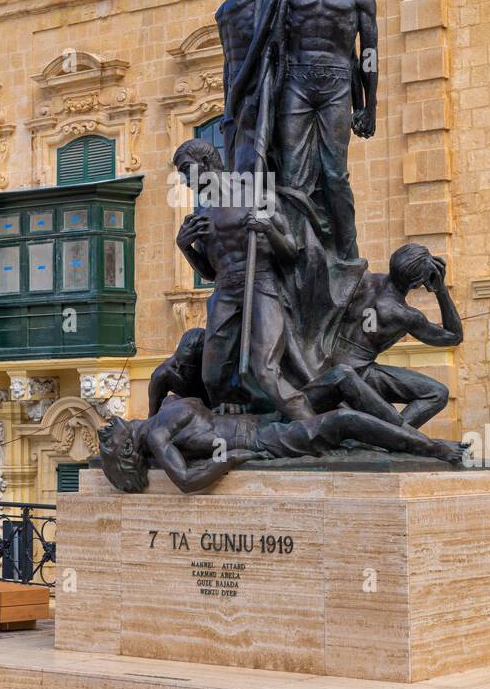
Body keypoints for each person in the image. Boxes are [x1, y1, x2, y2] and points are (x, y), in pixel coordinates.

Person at [173, 138, 313, 419]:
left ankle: (313, 427)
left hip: (261, 284)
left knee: (266, 370)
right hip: (224, 290)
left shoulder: (256, 196)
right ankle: (236, 414)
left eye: (187, 170)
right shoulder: (201, 213)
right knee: (212, 375)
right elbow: (209, 272)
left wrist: (268, 230)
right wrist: (185, 247)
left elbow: (291, 251)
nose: (185, 180)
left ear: (206, 164)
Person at [97, 395, 470, 495]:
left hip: (261, 420)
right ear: (127, 449)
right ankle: (432, 448)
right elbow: (186, 481)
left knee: (338, 397)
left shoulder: (163, 410)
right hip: (261, 439)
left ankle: (410, 444)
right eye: (108, 438)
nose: (108, 427)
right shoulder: (159, 437)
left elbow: (204, 419)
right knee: (344, 420)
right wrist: (231, 459)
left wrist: (226, 407)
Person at [276, 0, 377, 260]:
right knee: (292, 175)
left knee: (335, 174)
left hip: (336, 85)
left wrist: (368, 107)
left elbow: (368, 56)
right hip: (297, 84)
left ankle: (347, 256)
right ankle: (298, 255)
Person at [305, 244, 462, 429]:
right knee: (437, 393)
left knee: (388, 408)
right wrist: (441, 289)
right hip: (360, 371)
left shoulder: (362, 279)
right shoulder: (405, 315)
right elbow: (454, 336)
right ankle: (388, 436)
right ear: (416, 283)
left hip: (327, 360)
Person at [215, 0, 271, 173]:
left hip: (257, 87)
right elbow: (228, 61)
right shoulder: (231, 1)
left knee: (253, 168)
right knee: (235, 169)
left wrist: (240, 88)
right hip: (235, 98)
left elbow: (263, 43)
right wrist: (229, 100)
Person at [147, 327, 208, 415]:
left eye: (185, 366)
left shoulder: (213, 372)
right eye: (177, 361)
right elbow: (152, 418)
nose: (178, 368)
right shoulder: (162, 375)